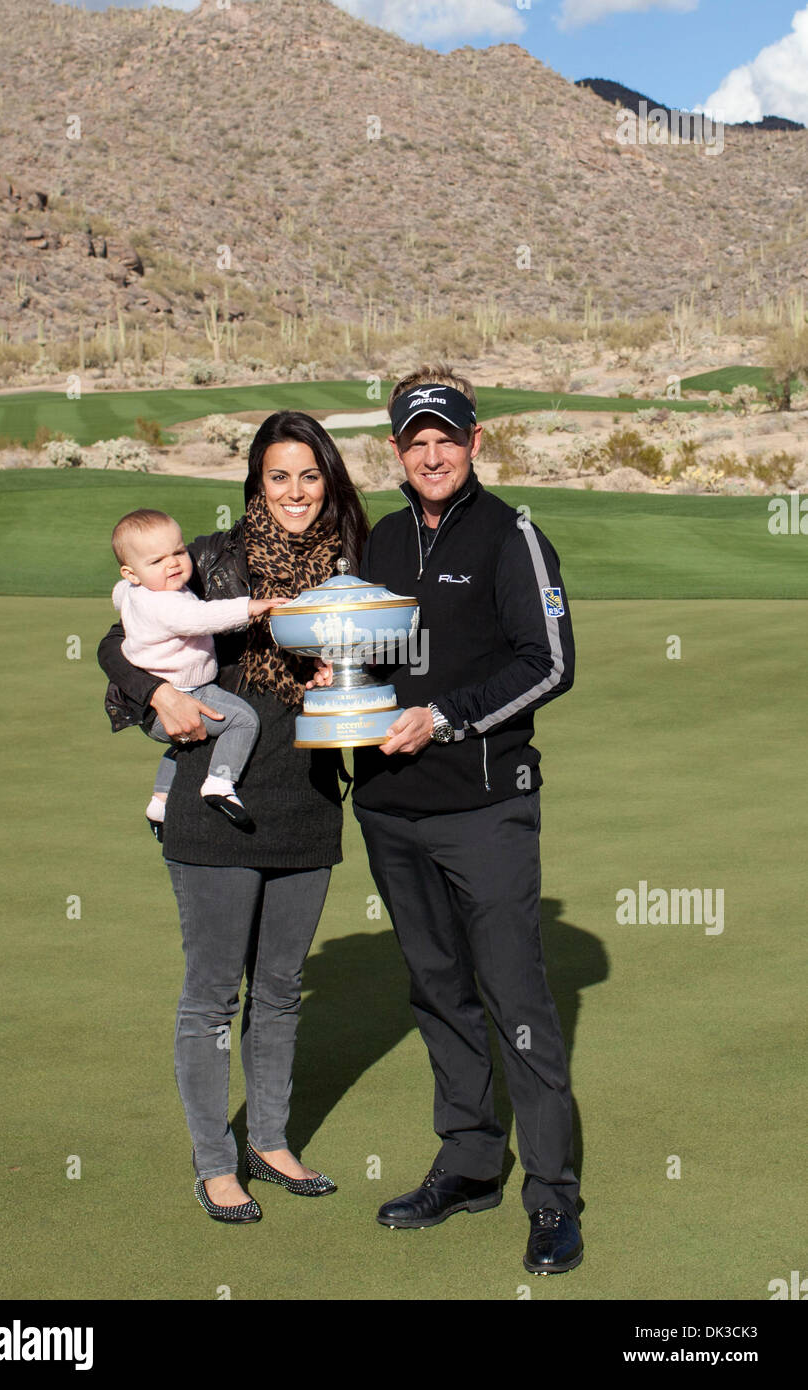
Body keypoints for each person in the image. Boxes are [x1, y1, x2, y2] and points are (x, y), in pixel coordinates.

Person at [314, 365, 583, 1273]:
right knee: (436, 990)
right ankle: (469, 1162)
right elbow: (366, 655)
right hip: (390, 810)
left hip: (484, 808)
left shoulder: (513, 536)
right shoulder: (382, 543)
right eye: (415, 442)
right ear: (397, 450)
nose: (432, 456)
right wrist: (333, 676)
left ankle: (553, 1198)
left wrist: (448, 716)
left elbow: (547, 663)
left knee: (518, 1002)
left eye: (447, 440)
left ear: (476, 442)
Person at [97, 411, 369, 1223]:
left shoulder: (355, 567)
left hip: (310, 801)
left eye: (309, 475)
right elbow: (121, 645)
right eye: (277, 475)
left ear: (330, 481)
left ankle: (272, 1142)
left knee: (280, 990)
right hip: (216, 807)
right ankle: (215, 1163)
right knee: (212, 995)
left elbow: (391, 662)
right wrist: (161, 694)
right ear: (257, 483)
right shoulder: (212, 560)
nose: (294, 491)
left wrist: (343, 680)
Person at [108, 507, 289, 835]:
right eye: (156, 561)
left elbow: (119, 597)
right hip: (182, 693)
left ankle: (160, 801)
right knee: (242, 721)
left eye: (178, 551)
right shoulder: (165, 603)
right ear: (131, 573)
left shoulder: (133, 591)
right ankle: (219, 783)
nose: (173, 563)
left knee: (188, 744)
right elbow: (202, 618)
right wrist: (251, 607)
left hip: (154, 702)